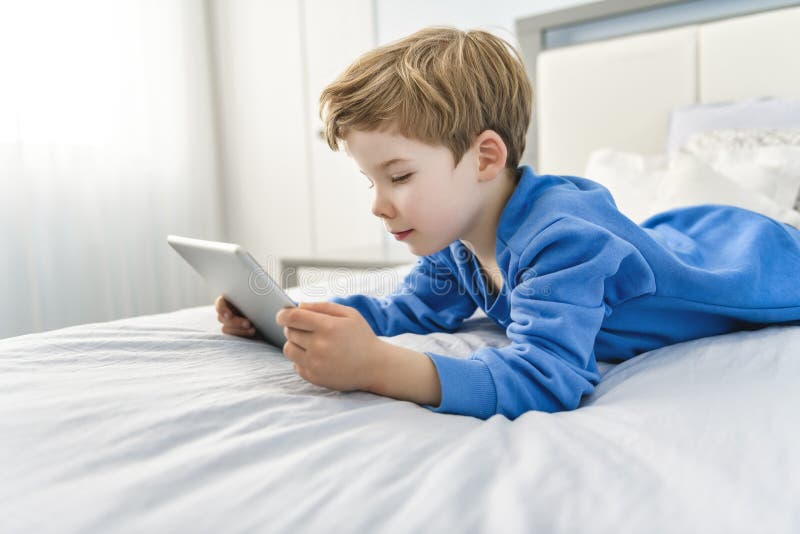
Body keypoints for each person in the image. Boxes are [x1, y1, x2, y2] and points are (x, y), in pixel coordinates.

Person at [216, 27, 800, 420]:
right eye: (371, 182)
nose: (378, 205)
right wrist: (291, 316)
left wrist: (377, 366)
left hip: (755, 254)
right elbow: (407, 311)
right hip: (665, 238)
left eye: (399, 176)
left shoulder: (564, 240)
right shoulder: (456, 240)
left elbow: (549, 378)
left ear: (486, 158)